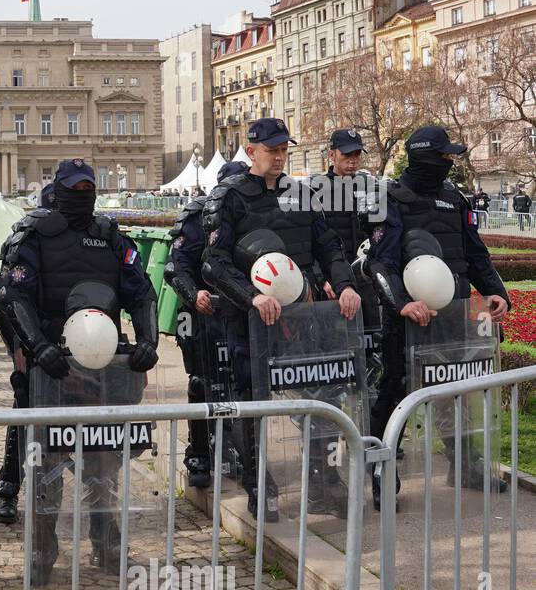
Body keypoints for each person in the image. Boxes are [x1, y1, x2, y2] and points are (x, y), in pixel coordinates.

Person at [0, 159, 159, 582]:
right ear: (59, 189)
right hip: (51, 367)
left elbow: (141, 292)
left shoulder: (110, 237)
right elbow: (14, 295)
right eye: (75, 187)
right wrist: (36, 346)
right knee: (46, 464)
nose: (83, 193)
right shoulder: (34, 235)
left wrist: (147, 340)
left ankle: (107, 544)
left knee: (102, 464)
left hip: (105, 366)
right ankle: (42, 549)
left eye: (89, 186)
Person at [201, 117, 361, 521]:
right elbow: (213, 264)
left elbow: (330, 248)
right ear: (251, 151)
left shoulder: (302, 194)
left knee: (321, 397)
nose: (279, 156)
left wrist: (344, 285)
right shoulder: (229, 197)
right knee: (252, 403)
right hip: (252, 322)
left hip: (306, 318)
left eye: (283, 149)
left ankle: (322, 480)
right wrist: (252, 297)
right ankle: (259, 482)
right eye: (272, 150)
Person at [368, 126, 510, 496]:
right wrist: (403, 305)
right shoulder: (390, 198)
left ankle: (466, 464)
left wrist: (498, 294)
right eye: (444, 155)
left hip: (455, 314)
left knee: (456, 392)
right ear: (426, 155)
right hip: (409, 318)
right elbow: (379, 264)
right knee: (395, 391)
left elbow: (476, 254)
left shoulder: (455, 198)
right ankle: (381, 470)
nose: (450, 161)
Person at [165, 160, 248, 488]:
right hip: (201, 310)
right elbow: (176, 266)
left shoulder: (251, 213)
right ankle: (198, 449)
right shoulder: (198, 215)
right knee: (201, 380)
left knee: (245, 381)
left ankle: (246, 451)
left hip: (241, 310)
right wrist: (193, 293)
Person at [0, 180, 55, 525]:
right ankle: (9, 488)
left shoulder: (92, 240)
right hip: (34, 347)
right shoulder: (27, 241)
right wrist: (18, 349)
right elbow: (0, 297)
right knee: (24, 413)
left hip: (81, 349)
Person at [308, 129, 385, 380]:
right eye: (346, 154)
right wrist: (322, 279)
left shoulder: (371, 187)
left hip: (366, 279)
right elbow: (310, 243)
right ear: (332, 154)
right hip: (332, 284)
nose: (353, 160)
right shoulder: (314, 190)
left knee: (372, 345)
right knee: (334, 350)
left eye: (357, 154)